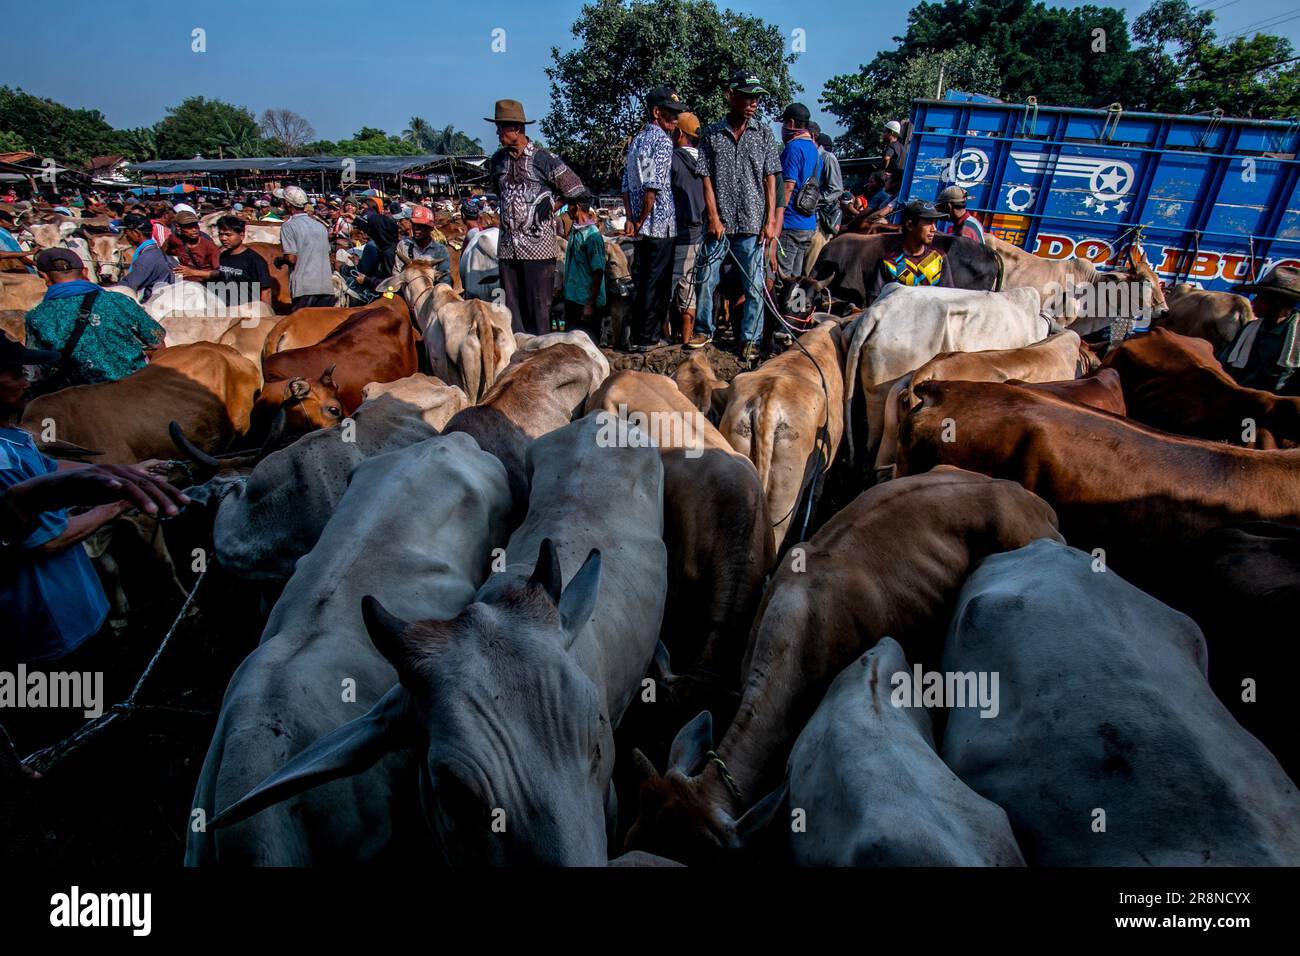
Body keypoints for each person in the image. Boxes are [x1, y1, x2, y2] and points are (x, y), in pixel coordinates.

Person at [0, 333, 187, 665]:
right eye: (15, 372)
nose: (26, 378)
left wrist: (124, 470)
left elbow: (49, 465)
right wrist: (121, 501)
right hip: (51, 627)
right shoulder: (2, 459)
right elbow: (49, 540)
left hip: (77, 604)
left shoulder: (13, 436)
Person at [696, 70, 782, 362]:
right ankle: (703, 330)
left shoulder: (764, 134)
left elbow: (771, 178)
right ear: (730, 95)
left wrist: (770, 220)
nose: (753, 103)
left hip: (752, 223)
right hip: (720, 225)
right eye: (747, 96)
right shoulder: (711, 134)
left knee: (755, 285)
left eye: (756, 98)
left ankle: (750, 340)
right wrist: (713, 216)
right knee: (706, 278)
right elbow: (705, 178)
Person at [486, 98, 587, 335]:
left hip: (538, 249)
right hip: (508, 248)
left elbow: (578, 191)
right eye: (498, 127)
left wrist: (551, 204)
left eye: (502, 127)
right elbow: (499, 192)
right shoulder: (497, 161)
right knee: (512, 313)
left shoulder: (544, 159)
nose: (498, 132)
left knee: (539, 314)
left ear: (518, 129)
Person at [24, 248, 164, 387]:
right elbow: (157, 343)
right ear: (85, 272)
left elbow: (37, 371)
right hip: (137, 388)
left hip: (83, 400)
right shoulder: (119, 301)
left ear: (44, 276)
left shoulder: (37, 317)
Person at [621, 86, 686, 351]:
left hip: (643, 226)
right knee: (656, 284)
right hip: (660, 224)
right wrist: (641, 217)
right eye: (671, 114)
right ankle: (650, 338)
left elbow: (626, 184)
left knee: (643, 281)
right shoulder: (662, 141)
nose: (675, 120)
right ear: (656, 112)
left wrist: (632, 218)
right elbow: (653, 185)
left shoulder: (637, 141)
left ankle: (639, 337)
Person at [1220, 265, 1300, 393]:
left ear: (1277, 302)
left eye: (1260, 297)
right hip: (1240, 395)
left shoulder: (1297, 336)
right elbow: (1223, 362)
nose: (1253, 302)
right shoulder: (1249, 329)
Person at [178, 216, 273, 309]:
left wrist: (264, 315)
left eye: (228, 234)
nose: (223, 238)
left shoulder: (254, 260)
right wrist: (193, 272)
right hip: (226, 309)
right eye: (221, 234)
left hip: (247, 311)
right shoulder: (223, 256)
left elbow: (266, 291)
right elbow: (222, 273)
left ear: (241, 235)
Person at [868, 199, 953, 302]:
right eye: (928, 223)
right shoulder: (889, 263)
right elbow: (875, 303)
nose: (934, 229)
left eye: (935, 223)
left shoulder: (939, 259)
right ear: (910, 225)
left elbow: (949, 299)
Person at [670, 112, 706, 346]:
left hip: (679, 233)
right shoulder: (705, 162)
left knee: (673, 286)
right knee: (691, 283)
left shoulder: (673, 160)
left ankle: (670, 338)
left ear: (679, 134)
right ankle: (686, 336)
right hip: (701, 233)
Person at [774, 102, 821, 278]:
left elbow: (787, 188)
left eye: (784, 123)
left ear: (791, 124)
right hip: (808, 224)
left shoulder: (794, 148)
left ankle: (778, 307)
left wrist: (773, 221)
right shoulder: (815, 152)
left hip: (790, 224)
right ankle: (796, 306)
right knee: (797, 278)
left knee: (781, 278)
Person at [275, 186, 334, 311]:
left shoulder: (289, 226)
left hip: (304, 288)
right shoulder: (320, 226)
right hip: (326, 287)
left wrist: (280, 260)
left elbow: (292, 258)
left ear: (287, 203)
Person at [561, 195, 607, 345]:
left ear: (578, 206)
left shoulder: (592, 237)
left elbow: (598, 271)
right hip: (573, 298)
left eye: (570, 205)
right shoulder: (575, 232)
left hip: (585, 302)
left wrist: (589, 304)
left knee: (588, 348)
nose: (567, 209)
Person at [119, 214, 176, 303]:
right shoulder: (159, 253)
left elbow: (127, 287)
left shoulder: (145, 259)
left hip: (154, 305)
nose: (125, 237)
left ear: (136, 233)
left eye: (126, 233)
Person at [395, 205, 452, 283]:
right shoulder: (403, 246)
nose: (416, 229)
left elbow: (445, 278)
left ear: (431, 228)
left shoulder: (440, 250)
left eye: (422, 226)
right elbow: (397, 274)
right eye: (414, 225)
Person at [340, 216, 384, 304]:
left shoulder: (372, 245)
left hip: (373, 289)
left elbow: (364, 270)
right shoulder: (392, 242)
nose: (363, 231)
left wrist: (343, 268)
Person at [880, 120, 907, 192]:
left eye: (884, 132)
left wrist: (882, 171)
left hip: (890, 180)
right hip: (899, 181)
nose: (883, 134)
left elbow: (887, 158)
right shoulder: (902, 148)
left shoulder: (892, 145)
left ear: (891, 133)